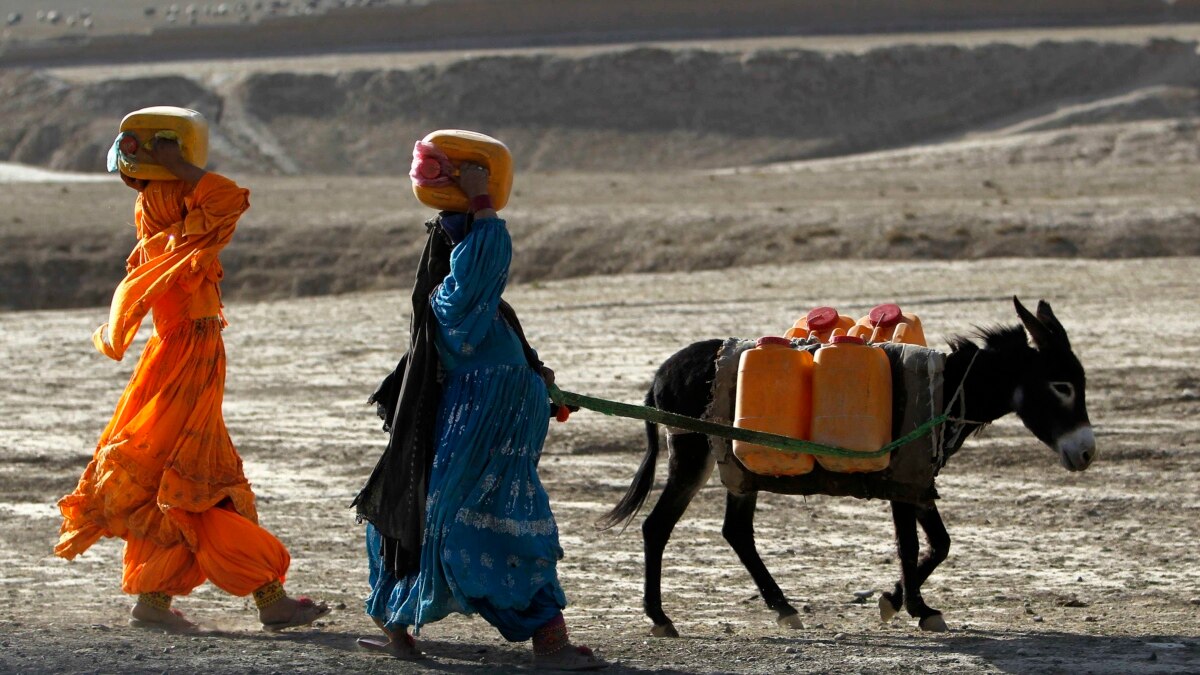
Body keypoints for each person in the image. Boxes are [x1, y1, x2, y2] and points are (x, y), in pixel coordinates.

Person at [55, 132, 329, 633]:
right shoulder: (175, 237)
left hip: (181, 367)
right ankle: (268, 596)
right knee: (196, 484)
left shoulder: (160, 231)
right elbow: (227, 196)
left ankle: (155, 602)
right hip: (188, 368)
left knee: (174, 480)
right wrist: (180, 165)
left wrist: (171, 170)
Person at [353, 161, 605, 670]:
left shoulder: (488, 309)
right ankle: (405, 631)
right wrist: (481, 204)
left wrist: (542, 383)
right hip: (475, 433)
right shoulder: (453, 300)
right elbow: (488, 256)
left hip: (499, 434)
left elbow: (514, 353)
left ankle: (543, 642)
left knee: (489, 521)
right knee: (471, 525)